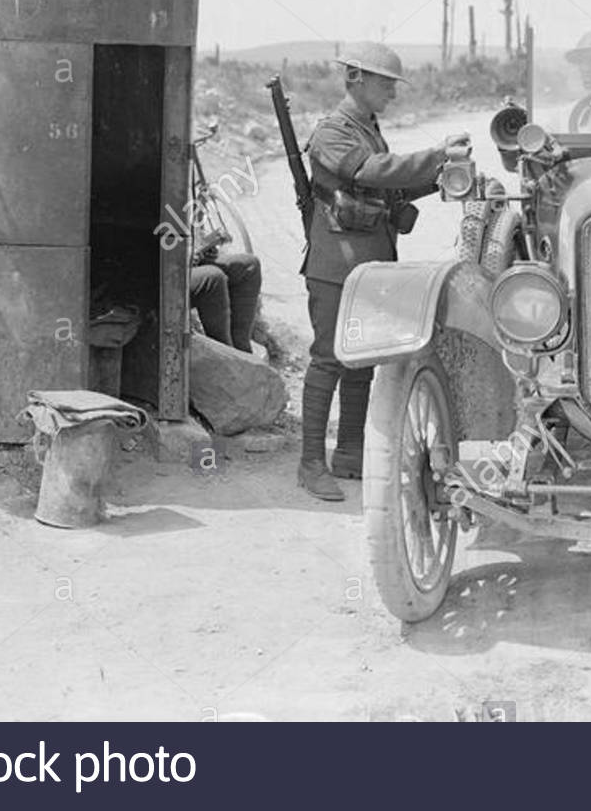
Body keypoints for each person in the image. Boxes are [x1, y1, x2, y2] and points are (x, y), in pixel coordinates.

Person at [297, 41, 469, 501]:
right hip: (336, 267)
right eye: (386, 83)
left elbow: (388, 189)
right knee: (328, 359)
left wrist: (442, 177)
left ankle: (350, 452)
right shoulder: (332, 131)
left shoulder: (367, 128)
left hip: (370, 265)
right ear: (355, 78)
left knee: (361, 359)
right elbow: (370, 172)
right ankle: (310, 463)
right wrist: (436, 154)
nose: (392, 93)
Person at [190, 241, 262, 353]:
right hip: (164, 271)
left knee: (250, 265)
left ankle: (242, 350)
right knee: (212, 279)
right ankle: (226, 355)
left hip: (180, 258)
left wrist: (200, 247)